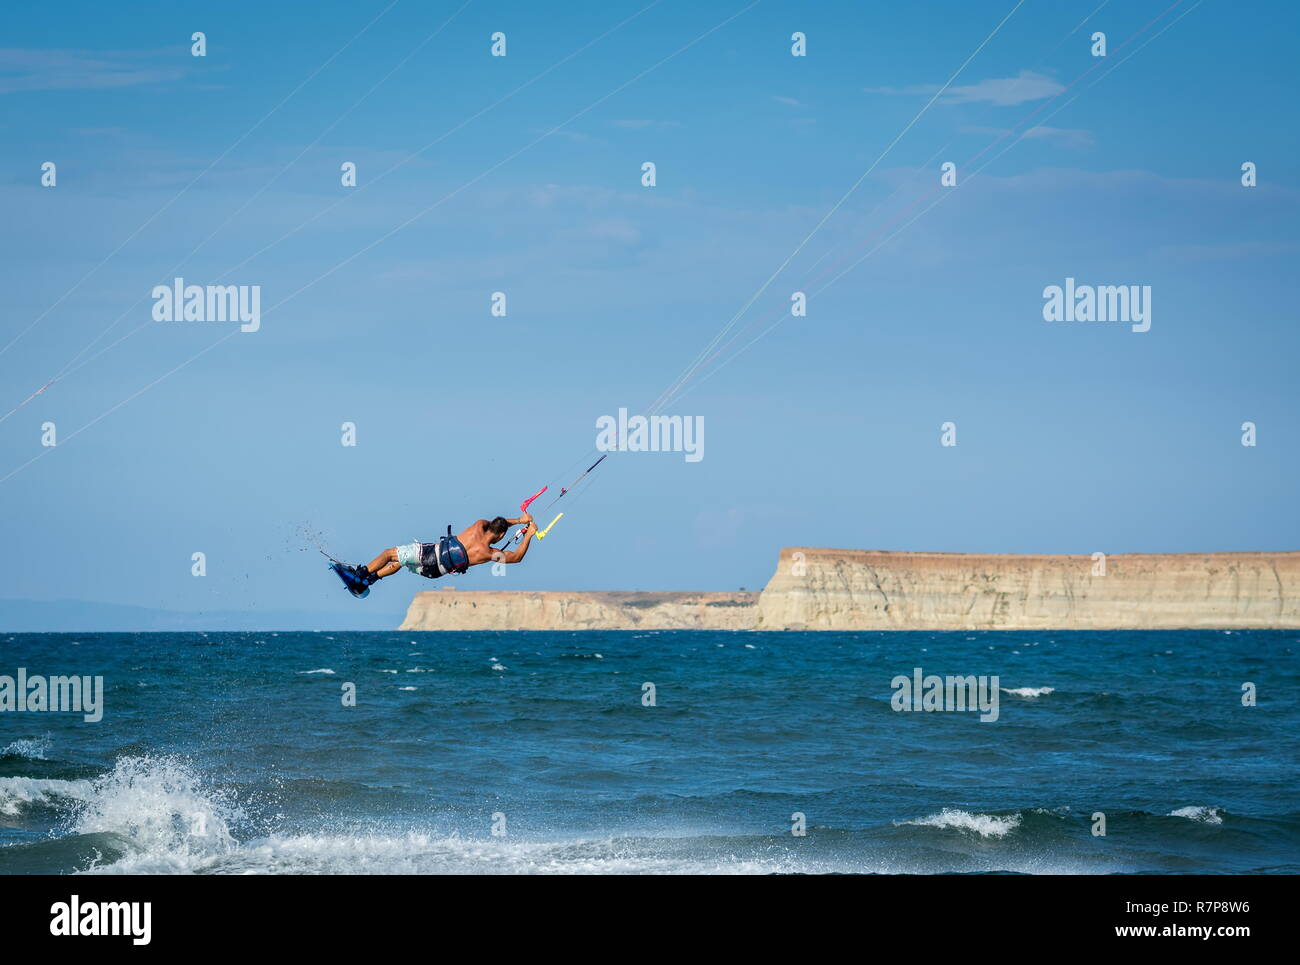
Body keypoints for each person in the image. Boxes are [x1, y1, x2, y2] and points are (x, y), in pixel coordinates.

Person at [343, 513, 535, 591]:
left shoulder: (478, 525)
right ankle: (370, 579)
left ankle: (358, 575)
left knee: (388, 553)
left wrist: (518, 520)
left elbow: (498, 523)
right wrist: (529, 535)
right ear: (501, 536)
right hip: (435, 572)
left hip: (430, 554)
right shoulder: (488, 553)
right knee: (400, 562)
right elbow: (516, 557)